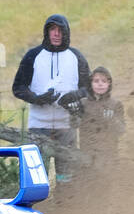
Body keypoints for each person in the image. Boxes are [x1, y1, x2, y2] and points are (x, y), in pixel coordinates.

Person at [12, 14, 90, 181]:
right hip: (38, 125)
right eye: (53, 29)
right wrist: (36, 98)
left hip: (67, 125)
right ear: (46, 31)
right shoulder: (32, 55)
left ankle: (65, 197)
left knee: (67, 178)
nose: (56, 34)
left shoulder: (76, 57)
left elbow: (88, 89)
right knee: (38, 178)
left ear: (66, 32)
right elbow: (18, 87)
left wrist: (75, 95)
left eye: (61, 30)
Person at [78, 66, 125, 164]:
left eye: (104, 81)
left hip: (108, 156)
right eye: (96, 81)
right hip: (87, 155)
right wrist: (73, 113)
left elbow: (121, 131)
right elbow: (74, 125)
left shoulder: (115, 104)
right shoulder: (83, 103)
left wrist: (112, 120)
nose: (100, 84)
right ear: (90, 83)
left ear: (109, 83)